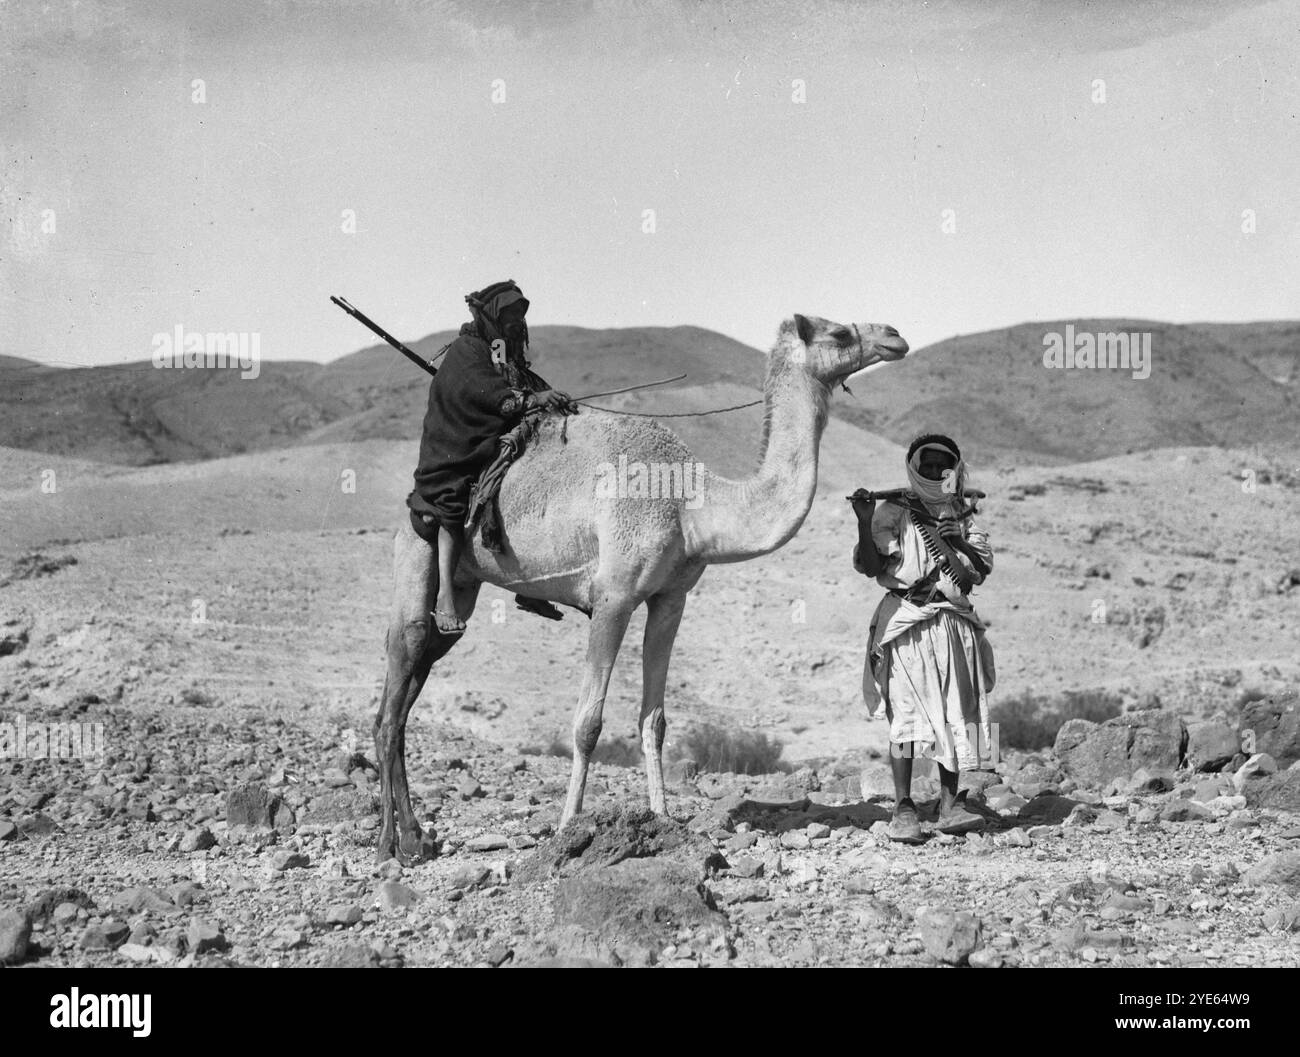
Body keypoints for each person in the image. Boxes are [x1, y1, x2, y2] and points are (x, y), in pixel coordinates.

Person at [850, 434, 996, 842]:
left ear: (953, 471)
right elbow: (870, 567)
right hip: (906, 623)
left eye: (941, 466)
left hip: (952, 625)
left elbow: (978, 573)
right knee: (906, 718)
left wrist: (955, 539)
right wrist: (864, 520)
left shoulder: (963, 514)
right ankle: (903, 807)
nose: (933, 472)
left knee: (954, 714)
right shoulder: (894, 511)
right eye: (926, 465)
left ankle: (950, 804)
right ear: (914, 467)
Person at [406, 280, 573, 634]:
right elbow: (488, 392)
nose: (516, 322)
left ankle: (530, 586)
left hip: (493, 432)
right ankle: (445, 597)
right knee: (451, 504)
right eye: (509, 315)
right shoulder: (467, 349)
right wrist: (530, 400)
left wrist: (549, 396)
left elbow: (520, 382)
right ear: (493, 316)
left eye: (519, 315)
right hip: (460, 439)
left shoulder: (502, 350)